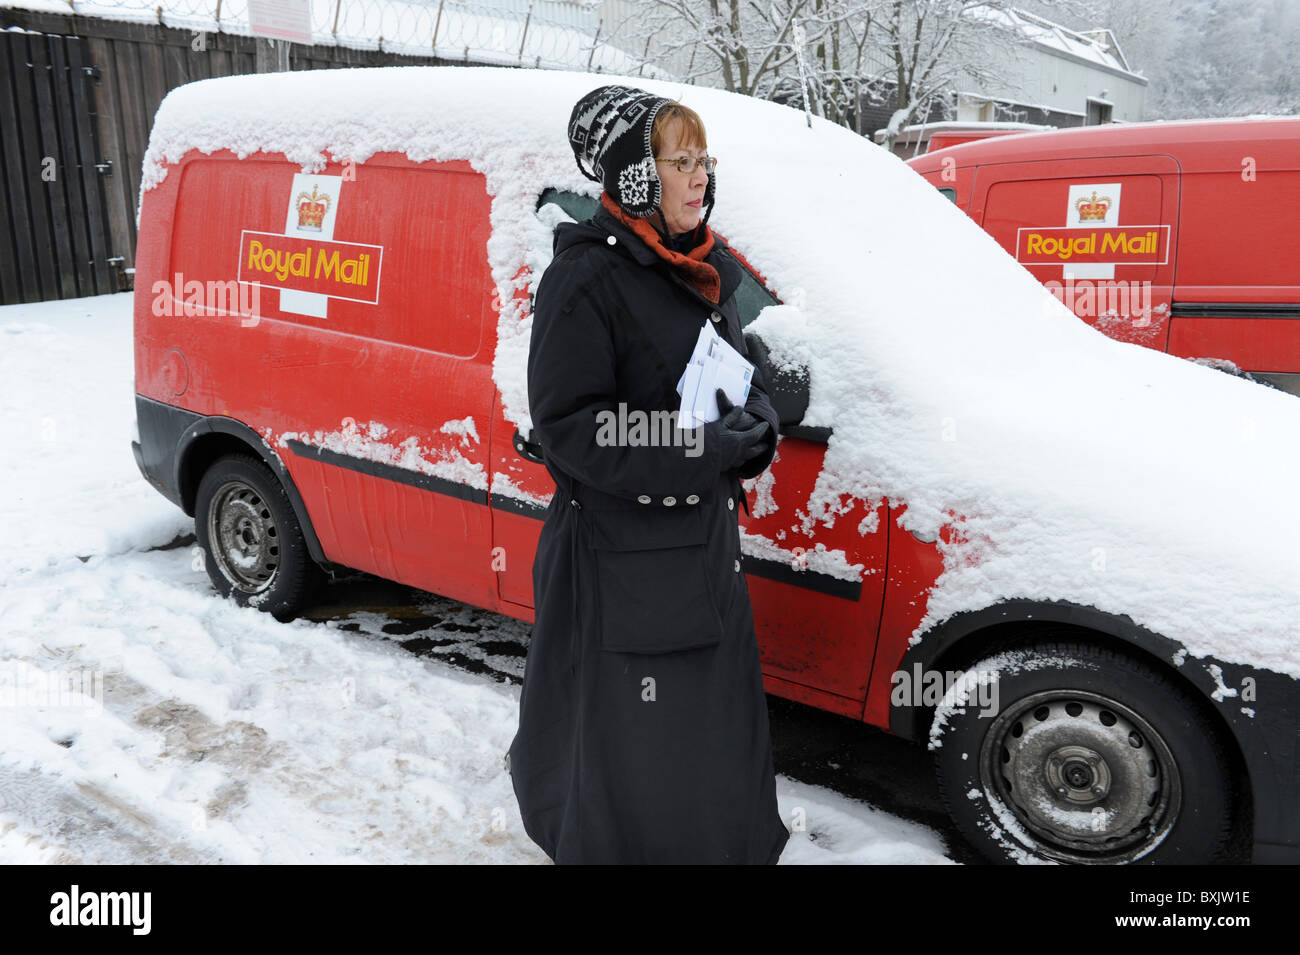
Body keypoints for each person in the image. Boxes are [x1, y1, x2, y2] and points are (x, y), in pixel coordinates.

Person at [507, 84, 790, 864]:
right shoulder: (586, 280)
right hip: (619, 562)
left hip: (701, 550)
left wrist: (757, 425)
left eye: (705, 161)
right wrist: (705, 447)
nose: (701, 178)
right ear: (636, 176)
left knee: (709, 734)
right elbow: (571, 427)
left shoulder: (700, 264)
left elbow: (740, 372)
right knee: (642, 750)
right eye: (681, 161)